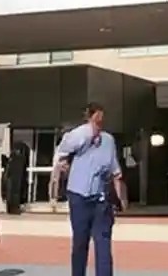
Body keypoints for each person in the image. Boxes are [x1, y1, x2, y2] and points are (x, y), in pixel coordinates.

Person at [55, 102, 126, 276]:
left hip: (101, 199)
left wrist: (121, 198)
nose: (99, 120)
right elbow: (63, 149)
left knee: (103, 242)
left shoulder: (108, 140)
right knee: (80, 241)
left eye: (101, 117)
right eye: (96, 117)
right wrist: (88, 131)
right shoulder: (79, 136)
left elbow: (115, 171)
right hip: (79, 195)